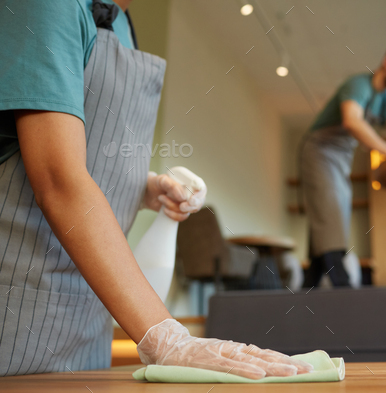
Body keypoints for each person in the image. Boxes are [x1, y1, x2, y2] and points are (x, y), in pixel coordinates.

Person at [0, 0, 312, 378]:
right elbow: (56, 178)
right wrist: (168, 338)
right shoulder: (47, 6)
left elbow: (76, 152)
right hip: (19, 305)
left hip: (91, 313)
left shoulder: (123, 24)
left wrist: (145, 186)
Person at [301, 44, 386, 288]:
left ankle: (307, 290)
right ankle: (343, 288)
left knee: (331, 218)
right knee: (331, 211)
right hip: (319, 152)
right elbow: (352, 122)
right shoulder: (359, 85)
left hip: (341, 159)